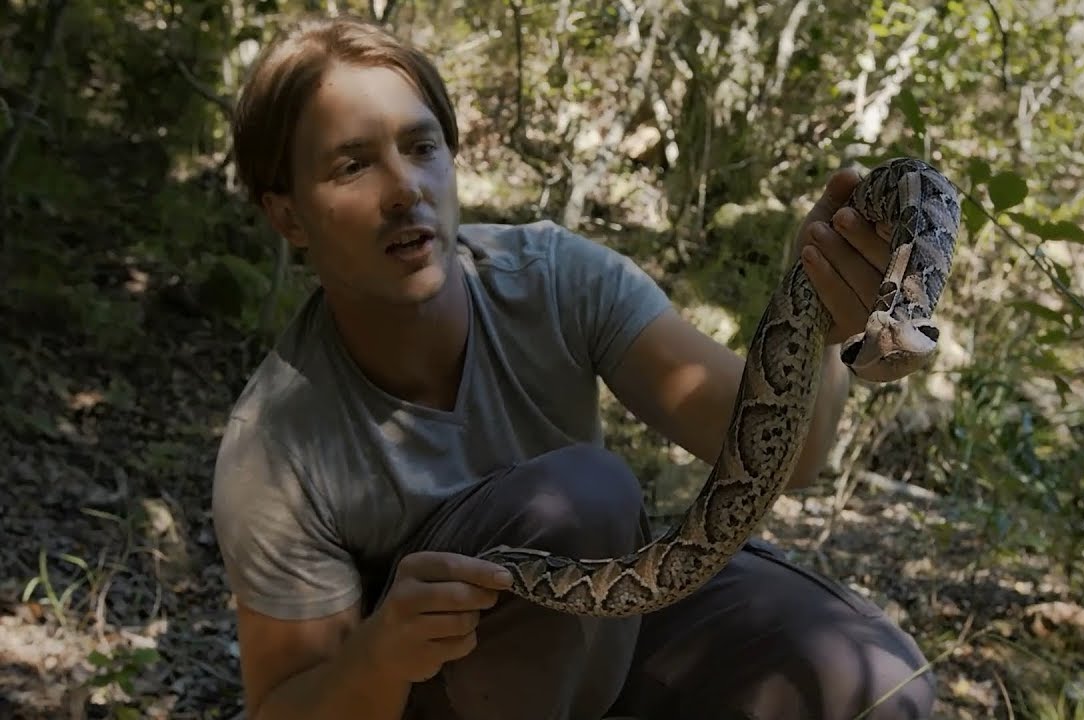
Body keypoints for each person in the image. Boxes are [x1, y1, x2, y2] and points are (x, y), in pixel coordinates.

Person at [212, 13, 935, 720]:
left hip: (607, 619)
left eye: (421, 146)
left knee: (871, 676)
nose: (404, 189)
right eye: (353, 164)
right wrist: (378, 655)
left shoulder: (556, 278)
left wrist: (818, 307)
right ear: (289, 217)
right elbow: (283, 706)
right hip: (427, 687)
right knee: (580, 500)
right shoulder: (275, 445)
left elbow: (790, 454)